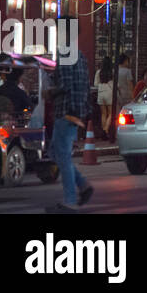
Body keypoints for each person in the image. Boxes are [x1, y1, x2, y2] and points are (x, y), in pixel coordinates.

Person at [49, 42, 94, 212]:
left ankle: (70, 200)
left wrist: (50, 91)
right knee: (55, 153)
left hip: (66, 110)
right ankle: (83, 185)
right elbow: (85, 86)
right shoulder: (81, 56)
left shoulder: (66, 55)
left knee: (62, 156)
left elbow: (65, 86)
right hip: (76, 110)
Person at [93, 56, 114, 135]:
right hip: (109, 92)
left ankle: (103, 130)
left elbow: (95, 84)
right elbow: (116, 84)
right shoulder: (112, 71)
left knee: (103, 113)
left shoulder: (99, 72)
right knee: (111, 113)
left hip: (101, 92)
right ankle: (106, 129)